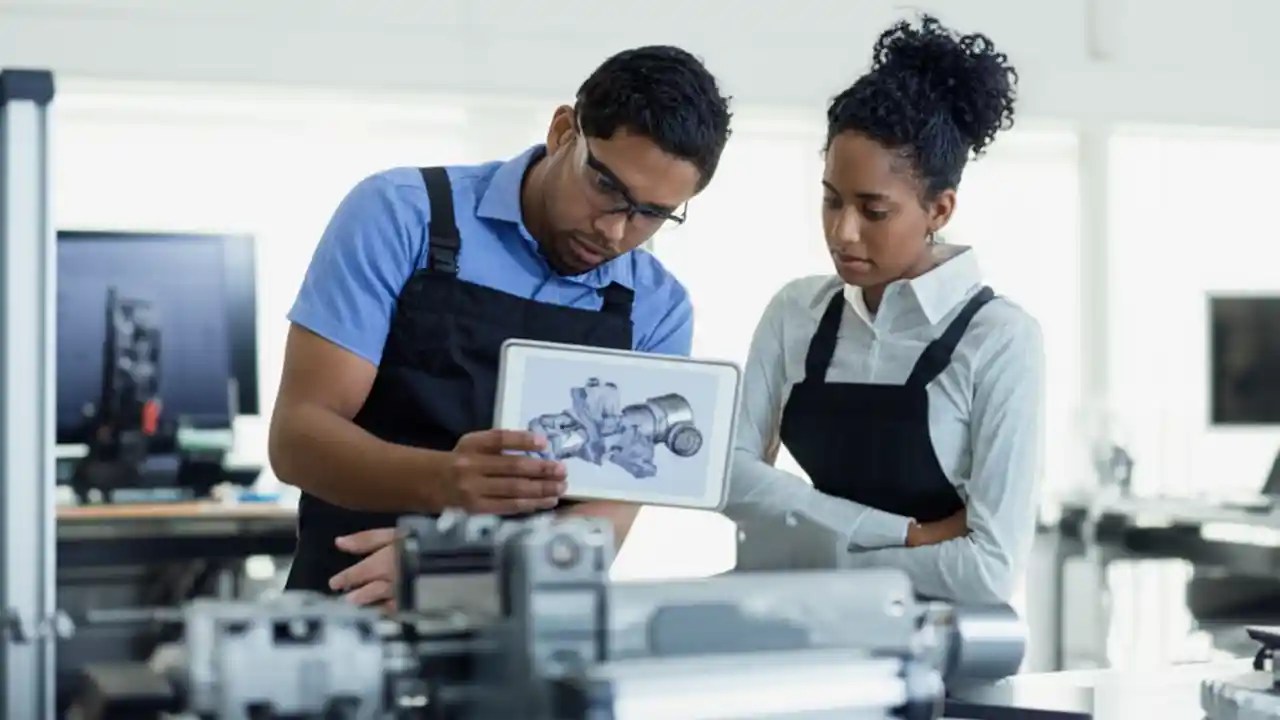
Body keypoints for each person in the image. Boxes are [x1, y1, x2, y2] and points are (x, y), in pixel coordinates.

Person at [269, 45, 733, 606]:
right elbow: (298, 438)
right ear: (563, 131)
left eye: (653, 214)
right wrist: (446, 480)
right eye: (608, 188)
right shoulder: (401, 215)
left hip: (523, 617)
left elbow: (605, 518)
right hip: (349, 603)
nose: (615, 231)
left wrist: (459, 566)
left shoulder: (656, 308)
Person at [723, 15, 1044, 605]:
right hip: (810, 623)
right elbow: (730, 477)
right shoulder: (796, 312)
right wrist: (909, 536)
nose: (842, 232)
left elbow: (988, 571)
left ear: (939, 209)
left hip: (945, 638)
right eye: (831, 201)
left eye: (874, 212)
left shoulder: (1000, 339)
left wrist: (813, 556)